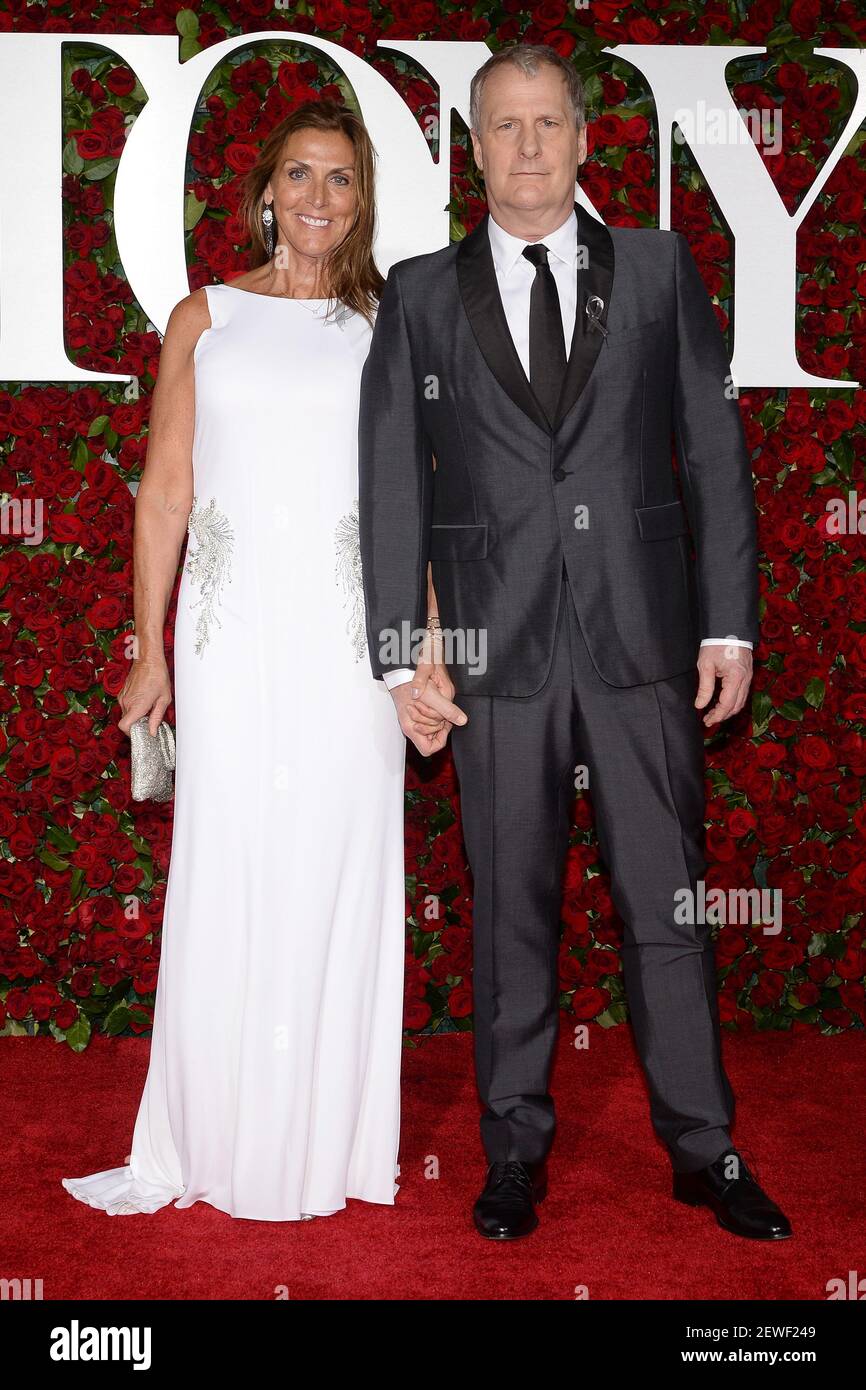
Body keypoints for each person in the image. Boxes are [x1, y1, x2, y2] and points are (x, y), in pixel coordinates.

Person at [358, 44, 793, 1242]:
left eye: (548, 122)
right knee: (508, 915)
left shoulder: (655, 272)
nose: (530, 146)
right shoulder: (419, 293)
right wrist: (404, 655)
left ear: (584, 140)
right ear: (475, 149)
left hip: (643, 640)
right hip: (494, 659)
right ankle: (511, 1155)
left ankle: (704, 1150)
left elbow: (710, 449)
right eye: (505, 126)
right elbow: (393, 482)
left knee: (670, 910)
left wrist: (725, 621)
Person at [61, 99, 449, 1221]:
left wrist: (420, 651)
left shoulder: (393, 324)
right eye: (298, 175)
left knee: (337, 864)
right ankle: (214, 1135)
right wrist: (150, 651)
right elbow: (166, 491)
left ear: (360, 197)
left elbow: (411, 503)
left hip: (344, 637)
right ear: (265, 191)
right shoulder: (205, 316)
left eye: (339, 178)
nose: (317, 198)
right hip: (228, 633)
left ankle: (322, 1147)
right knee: (228, 865)